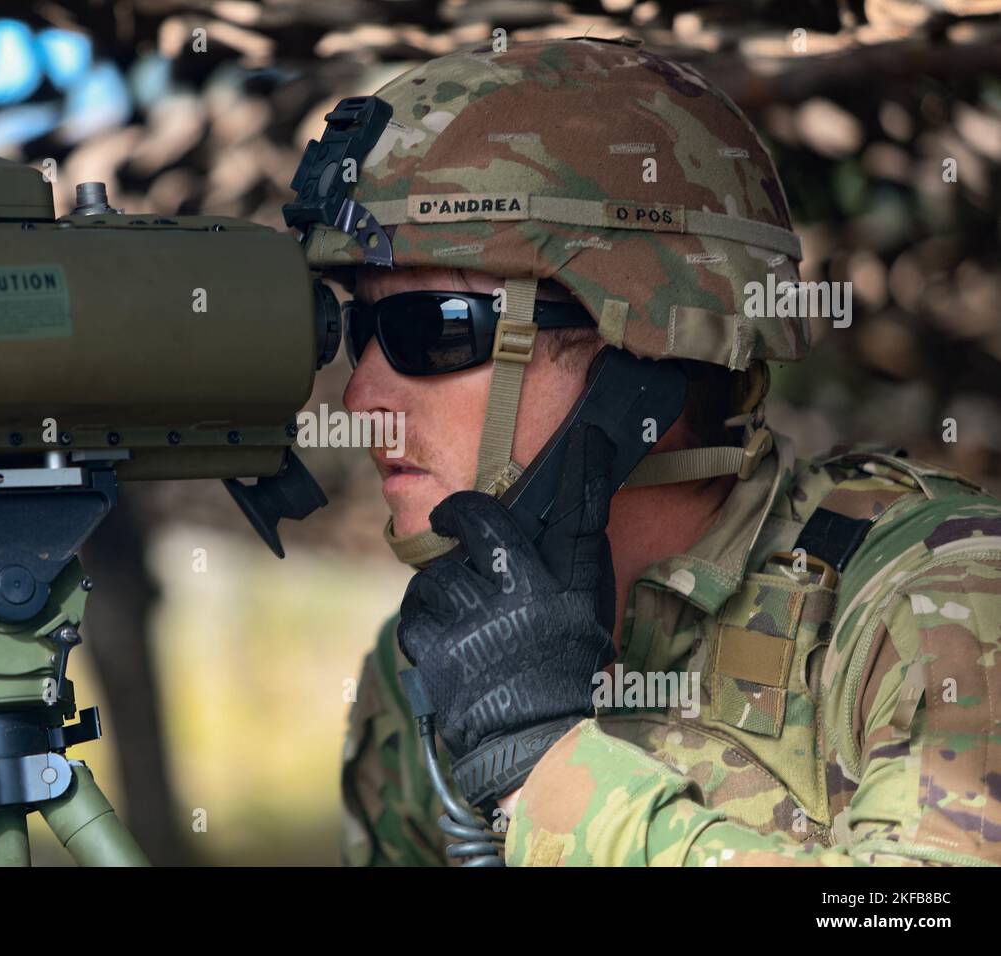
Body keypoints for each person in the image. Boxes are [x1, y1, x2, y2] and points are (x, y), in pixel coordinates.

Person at [286, 36, 1001, 866]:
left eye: (434, 328)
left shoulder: (940, 601)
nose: (360, 398)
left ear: (641, 360)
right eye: (361, 329)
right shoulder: (440, 655)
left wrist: (547, 776)